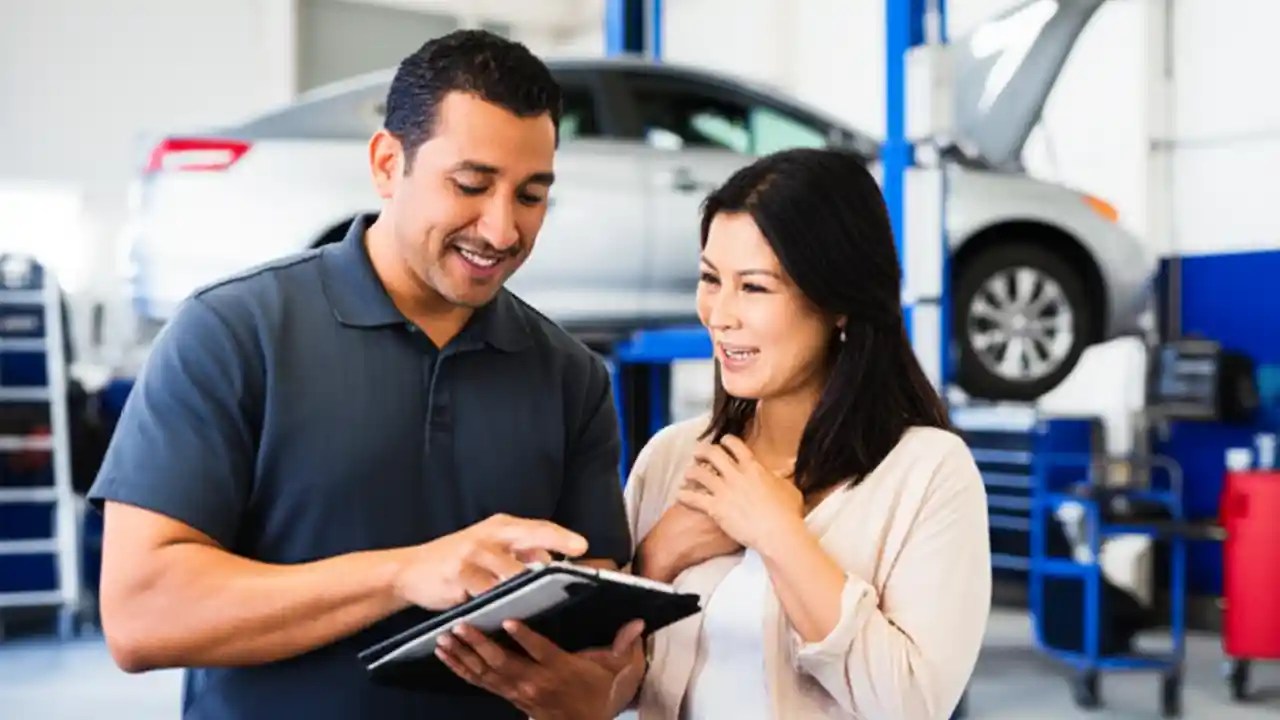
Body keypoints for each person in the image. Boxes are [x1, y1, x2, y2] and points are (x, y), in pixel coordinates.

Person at [88, 30, 644, 720]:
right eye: (470, 185)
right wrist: (405, 573)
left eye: (531, 196)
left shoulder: (570, 377)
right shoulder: (233, 334)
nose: (501, 230)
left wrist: (598, 691)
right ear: (388, 164)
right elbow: (141, 617)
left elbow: (603, 632)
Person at [624, 147, 992, 719]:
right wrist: (657, 557)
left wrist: (779, 536)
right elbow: (605, 678)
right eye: (710, 279)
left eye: (754, 287)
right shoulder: (671, 459)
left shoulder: (928, 473)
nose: (719, 314)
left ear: (838, 303)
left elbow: (913, 706)